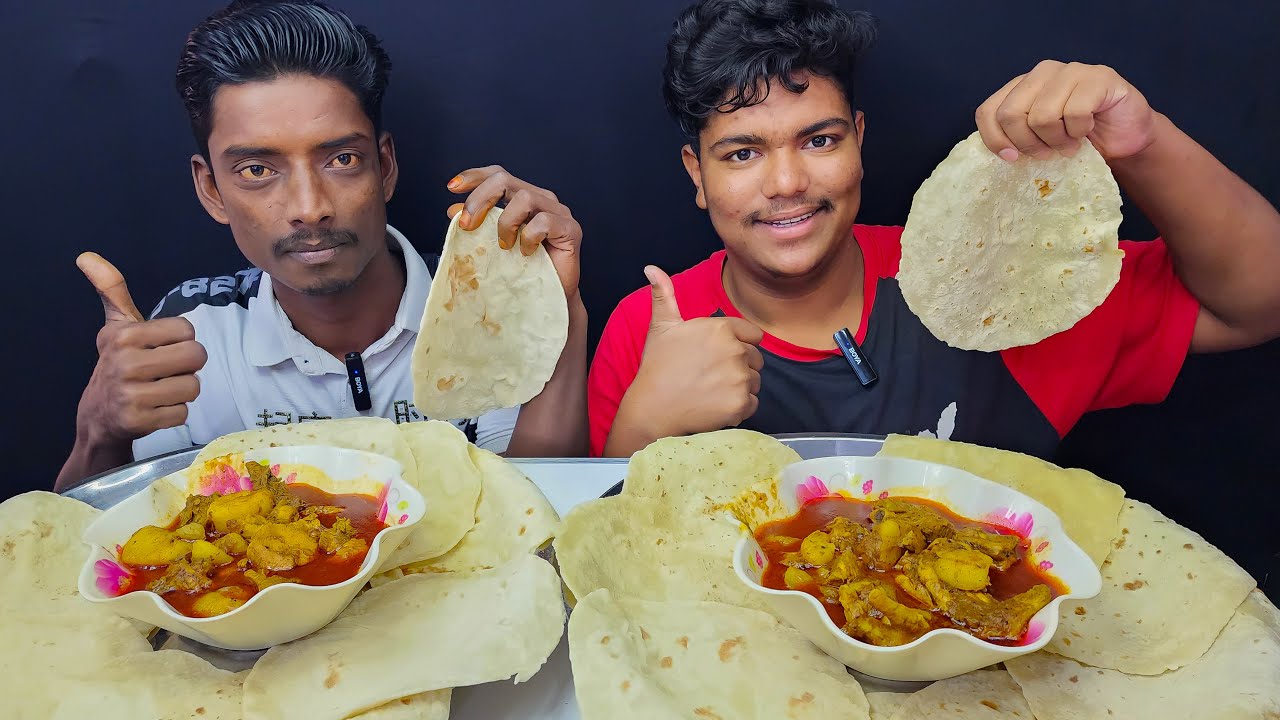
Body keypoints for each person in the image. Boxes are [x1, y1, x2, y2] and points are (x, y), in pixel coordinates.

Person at [588, 0, 1280, 458]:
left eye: (820, 140)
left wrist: (1140, 143)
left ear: (859, 141)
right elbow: (604, 570)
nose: (787, 183)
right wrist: (646, 425)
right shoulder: (650, 330)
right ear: (697, 174)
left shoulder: (998, 273)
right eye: (742, 153)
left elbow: (1258, 305)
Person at [55, 0, 588, 491]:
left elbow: (538, 516)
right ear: (211, 189)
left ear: (385, 167)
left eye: (341, 159)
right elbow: (89, 555)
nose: (309, 207)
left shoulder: (487, 303)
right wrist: (99, 434)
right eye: (258, 169)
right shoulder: (189, 332)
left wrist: (557, 309)